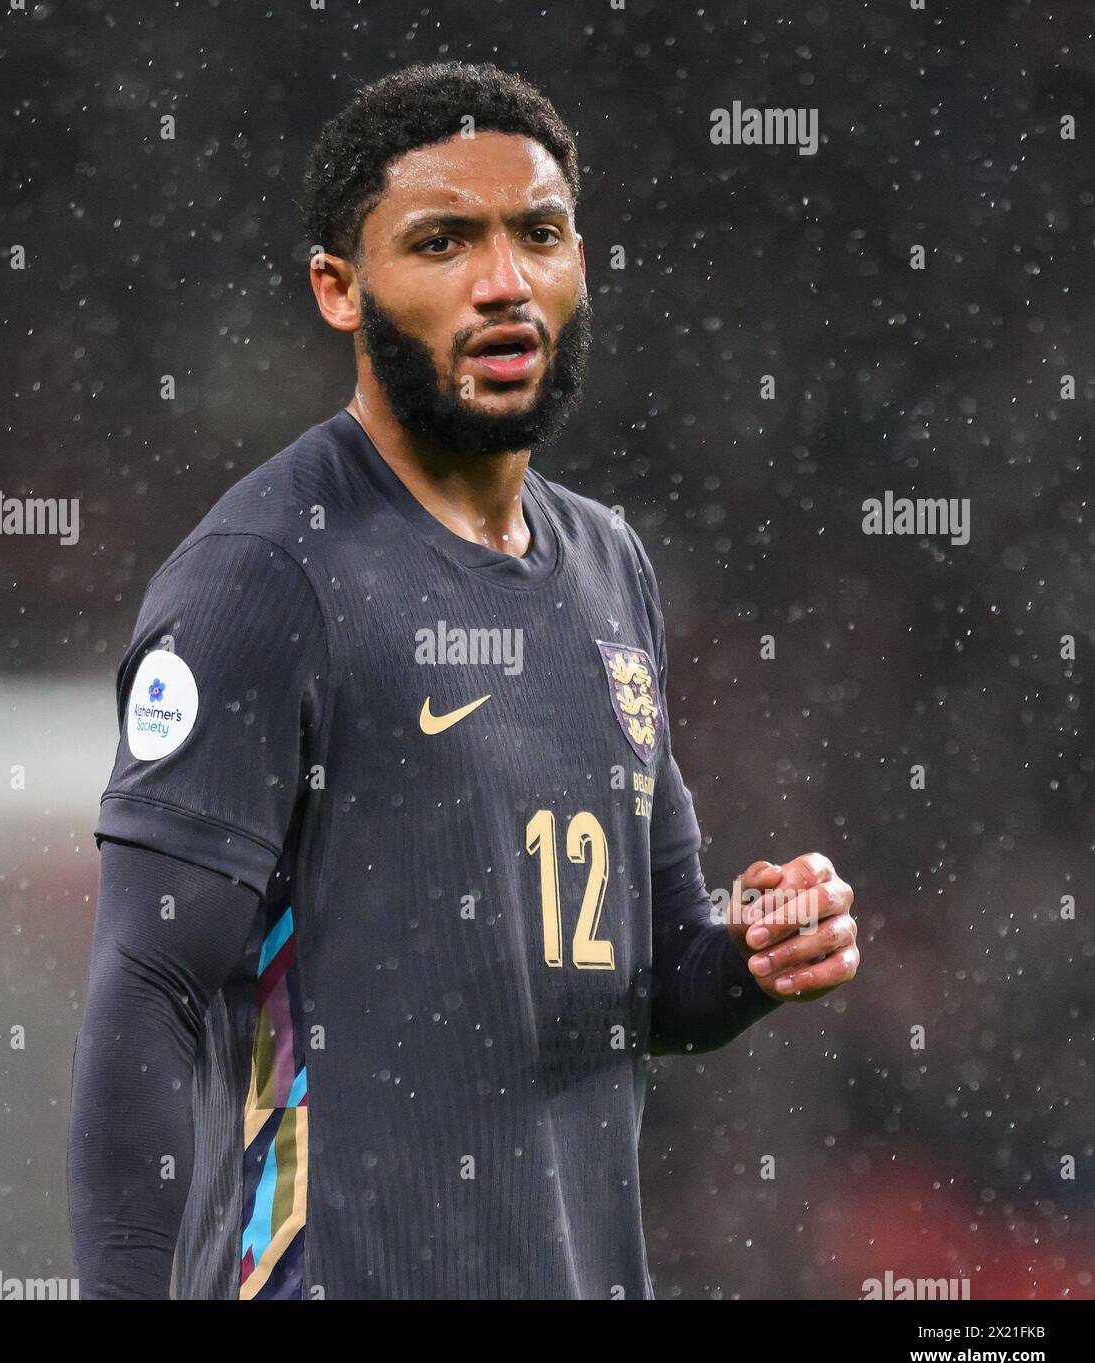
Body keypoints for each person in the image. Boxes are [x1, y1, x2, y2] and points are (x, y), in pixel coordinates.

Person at [67, 60, 859, 1300]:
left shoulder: (608, 565)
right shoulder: (262, 576)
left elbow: (650, 974)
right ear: (339, 288)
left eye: (536, 234)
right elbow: (149, 991)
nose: (503, 282)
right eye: (442, 242)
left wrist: (752, 956)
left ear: (579, 262)